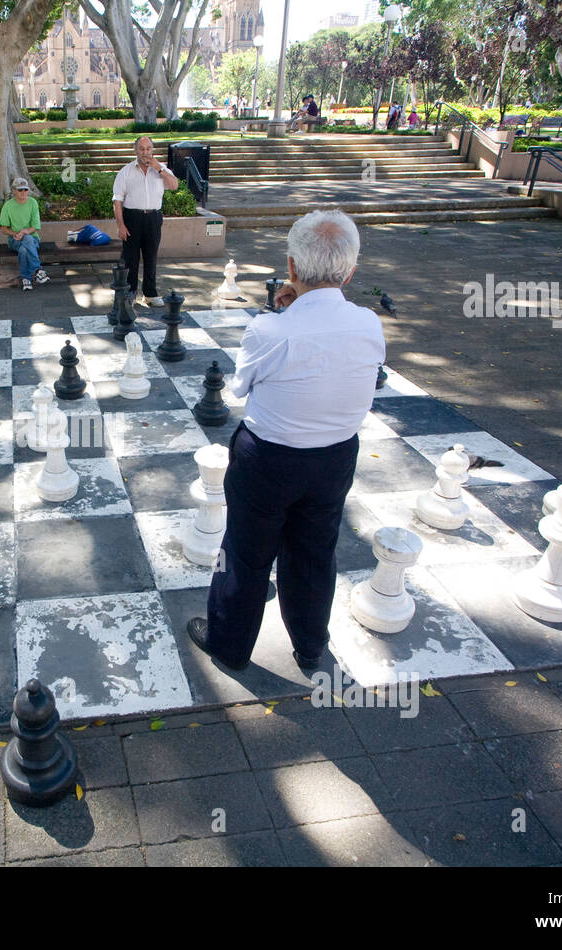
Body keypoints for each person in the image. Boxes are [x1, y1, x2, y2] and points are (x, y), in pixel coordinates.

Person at [186, 209, 386, 673]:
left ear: (291, 268)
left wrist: (283, 313)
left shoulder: (268, 328)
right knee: (315, 554)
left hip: (268, 461)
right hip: (335, 459)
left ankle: (230, 647)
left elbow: (238, 387)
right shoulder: (369, 324)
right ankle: (311, 647)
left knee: (245, 555)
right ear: (351, 272)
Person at [112, 136, 178, 308]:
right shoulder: (125, 172)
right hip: (132, 218)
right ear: (136, 151)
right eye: (141, 149)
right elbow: (117, 200)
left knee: (151, 256)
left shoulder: (161, 169)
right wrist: (120, 225)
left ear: (153, 150)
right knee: (130, 258)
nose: (145, 152)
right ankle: (130, 292)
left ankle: (150, 293)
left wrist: (159, 169)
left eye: (148, 149)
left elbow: (174, 185)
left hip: (153, 218)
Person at [0, 177, 48, 291]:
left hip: (32, 238)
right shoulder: (8, 206)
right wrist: (16, 233)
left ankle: (26, 278)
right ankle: (37, 270)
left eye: (25, 189)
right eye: (20, 190)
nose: (23, 192)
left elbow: (35, 226)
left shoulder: (32, 202)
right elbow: (3, 228)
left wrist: (25, 232)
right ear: (14, 191)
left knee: (24, 248)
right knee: (25, 243)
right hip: (14, 240)